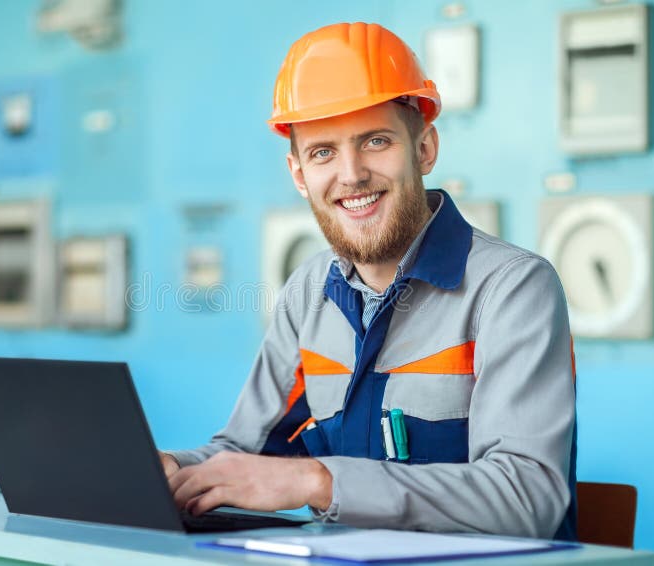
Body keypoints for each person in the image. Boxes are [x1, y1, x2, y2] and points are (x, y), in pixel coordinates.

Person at [161, 22, 577, 540]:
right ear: (298, 175)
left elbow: (526, 499)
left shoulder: (512, 289)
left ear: (424, 149)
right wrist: (168, 468)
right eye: (323, 152)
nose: (351, 174)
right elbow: (244, 456)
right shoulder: (308, 293)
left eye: (375, 141)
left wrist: (319, 482)